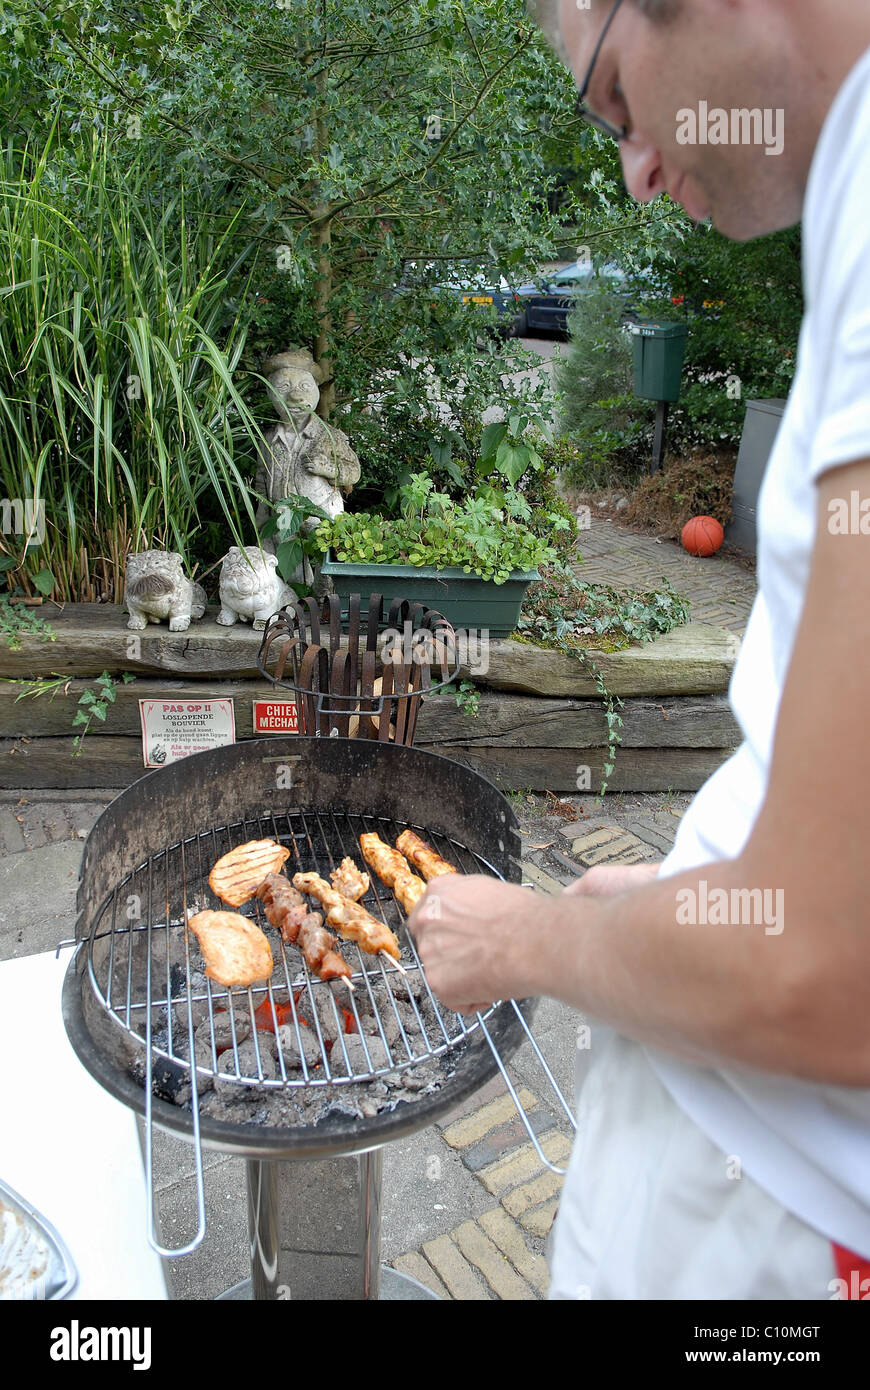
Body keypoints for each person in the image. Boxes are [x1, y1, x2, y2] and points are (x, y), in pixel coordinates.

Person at [407, 0, 870, 1300]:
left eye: (614, 102)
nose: (636, 169)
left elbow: (822, 969)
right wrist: (689, 909)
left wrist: (528, 940)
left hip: (771, 1193)